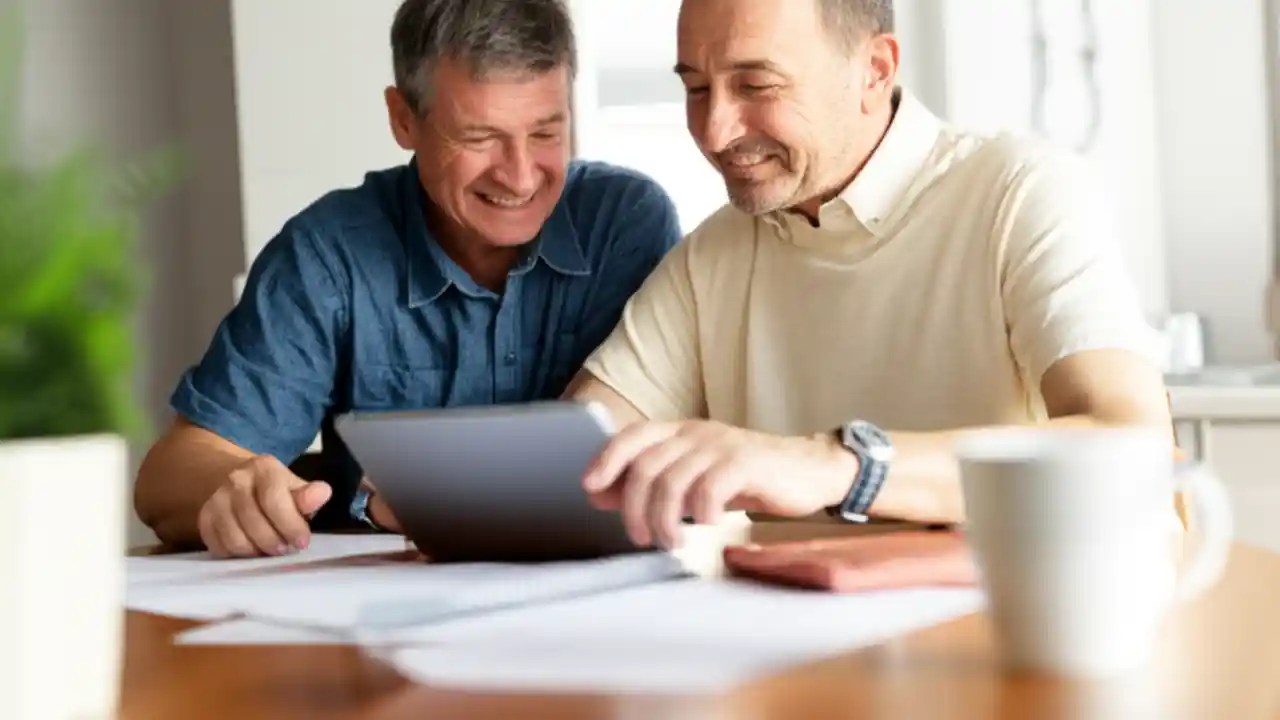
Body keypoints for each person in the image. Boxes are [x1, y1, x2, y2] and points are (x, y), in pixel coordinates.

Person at [568, 0, 1174, 550]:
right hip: (792, 654)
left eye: (756, 84)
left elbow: (1132, 445)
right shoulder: (712, 255)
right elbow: (573, 459)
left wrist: (833, 465)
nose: (714, 130)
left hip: (998, 646)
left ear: (875, 70)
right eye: (697, 88)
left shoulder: (1019, 192)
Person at [134, 0, 681, 558]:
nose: (519, 175)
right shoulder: (329, 254)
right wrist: (238, 489)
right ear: (403, 119)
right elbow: (164, 480)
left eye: (546, 132)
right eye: (479, 136)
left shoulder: (623, 224)